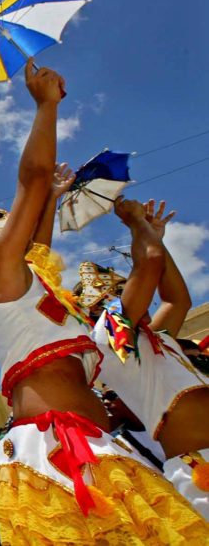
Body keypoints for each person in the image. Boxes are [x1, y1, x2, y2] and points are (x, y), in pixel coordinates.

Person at [0, 60, 207, 542]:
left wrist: (55, 194)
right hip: (52, 456)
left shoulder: (38, 287)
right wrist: (45, 107)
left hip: (106, 450)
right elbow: (32, 182)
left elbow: (39, 245)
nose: (3, 220)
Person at [78, 197, 209, 519]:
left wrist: (157, 238)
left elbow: (177, 298)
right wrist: (137, 225)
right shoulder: (110, 342)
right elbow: (149, 261)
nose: (145, 303)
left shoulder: (156, 340)